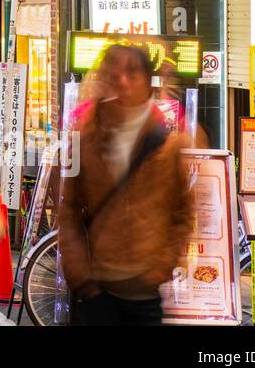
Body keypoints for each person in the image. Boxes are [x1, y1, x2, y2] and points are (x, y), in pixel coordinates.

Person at [57, 43, 193, 326]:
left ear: (146, 80)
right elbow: (68, 210)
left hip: (146, 291)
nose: (122, 80)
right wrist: (80, 274)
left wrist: (163, 266)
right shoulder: (84, 136)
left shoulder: (169, 142)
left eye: (132, 72)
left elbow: (184, 211)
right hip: (96, 290)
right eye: (113, 73)